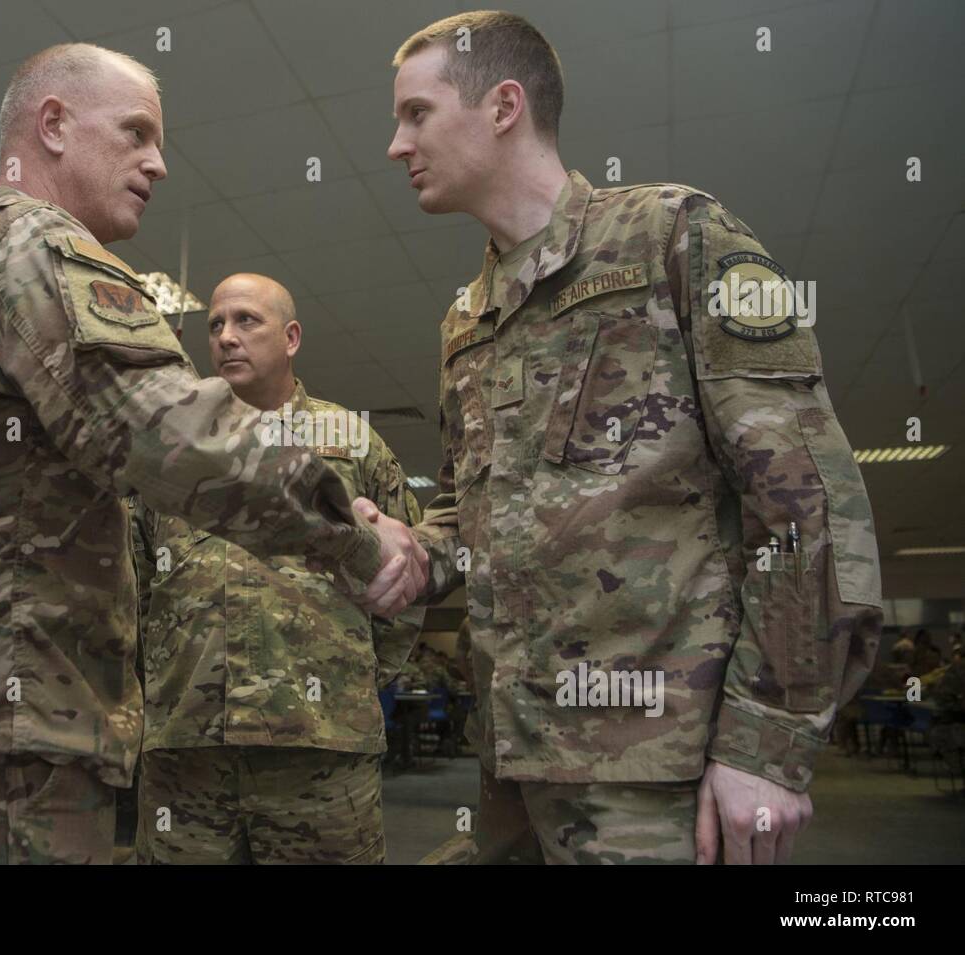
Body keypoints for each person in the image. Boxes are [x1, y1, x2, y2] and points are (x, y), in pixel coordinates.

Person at [0, 43, 425, 866]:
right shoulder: (36, 245)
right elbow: (168, 432)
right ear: (53, 126)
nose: (159, 164)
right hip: (0, 727)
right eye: (137, 133)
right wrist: (359, 541)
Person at [359, 10, 882, 864]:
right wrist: (417, 551)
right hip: (513, 771)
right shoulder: (465, 320)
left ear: (502, 105)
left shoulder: (677, 236)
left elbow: (805, 501)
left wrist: (769, 745)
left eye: (415, 113)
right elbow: (469, 512)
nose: (395, 143)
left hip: (657, 777)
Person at [132, 273, 424, 864]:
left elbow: (407, 579)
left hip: (320, 749)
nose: (226, 337)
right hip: (188, 749)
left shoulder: (350, 443)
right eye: (215, 325)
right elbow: (133, 586)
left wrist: (357, 682)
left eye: (246, 321)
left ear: (291, 337)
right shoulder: (176, 453)